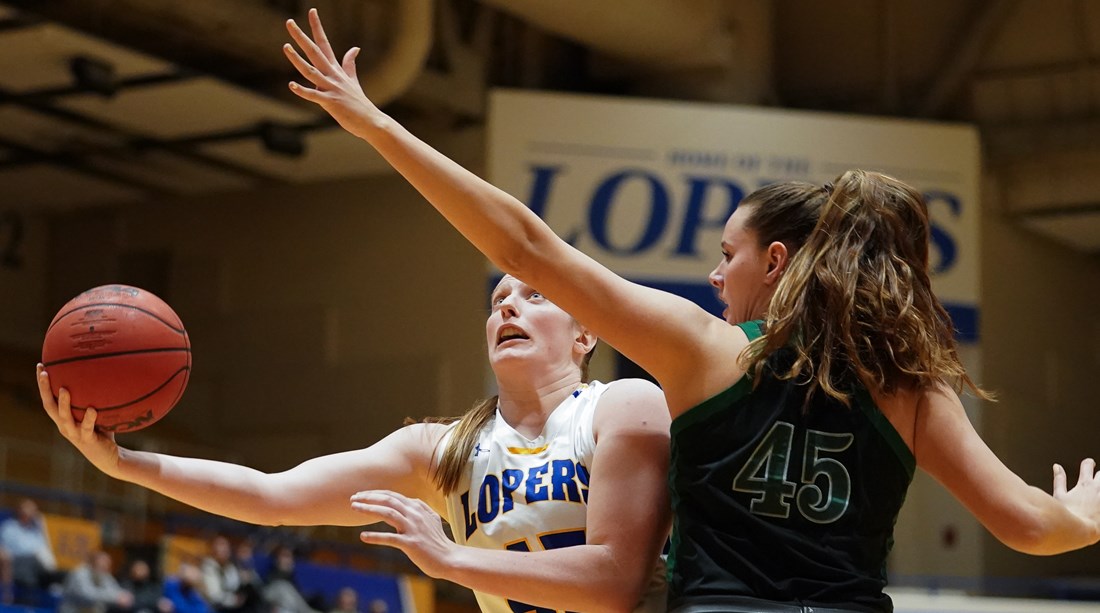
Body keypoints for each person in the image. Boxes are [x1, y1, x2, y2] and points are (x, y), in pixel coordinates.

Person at [281, 8, 1100, 612]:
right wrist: (1083, 516)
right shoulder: (911, 387)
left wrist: (377, 124)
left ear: (776, 262)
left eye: (727, 254)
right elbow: (1030, 527)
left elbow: (527, 247)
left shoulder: (707, 352)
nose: (714, 276)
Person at [36, 271, 671, 613]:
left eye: (534, 296)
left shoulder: (624, 406)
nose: (508, 308)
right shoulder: (441, 448)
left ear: (585, 335)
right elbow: (273, 496)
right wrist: (122, 464)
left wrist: (448, 560)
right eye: (499, 298)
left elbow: (612, 583)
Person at [0, 498, 60, 605]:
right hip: (17, 563)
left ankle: (54, 584)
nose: (33, 513)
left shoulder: (36, 531)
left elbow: (46, 550)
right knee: (40, 567)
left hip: (36, 566)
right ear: (20, 510)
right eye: (30, 509)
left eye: (34, 510)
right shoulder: (9, 528)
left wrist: (41, 524)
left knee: (60, 573)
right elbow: (4, 551)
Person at [58, 550, 133, 613]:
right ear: (92, 563)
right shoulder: (79, 573)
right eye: (102, 563)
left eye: (107, 564)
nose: (105, 566)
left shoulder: (103, 574)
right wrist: (115, 598)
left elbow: (116, 590)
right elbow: (88, 594)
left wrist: (124, 595)